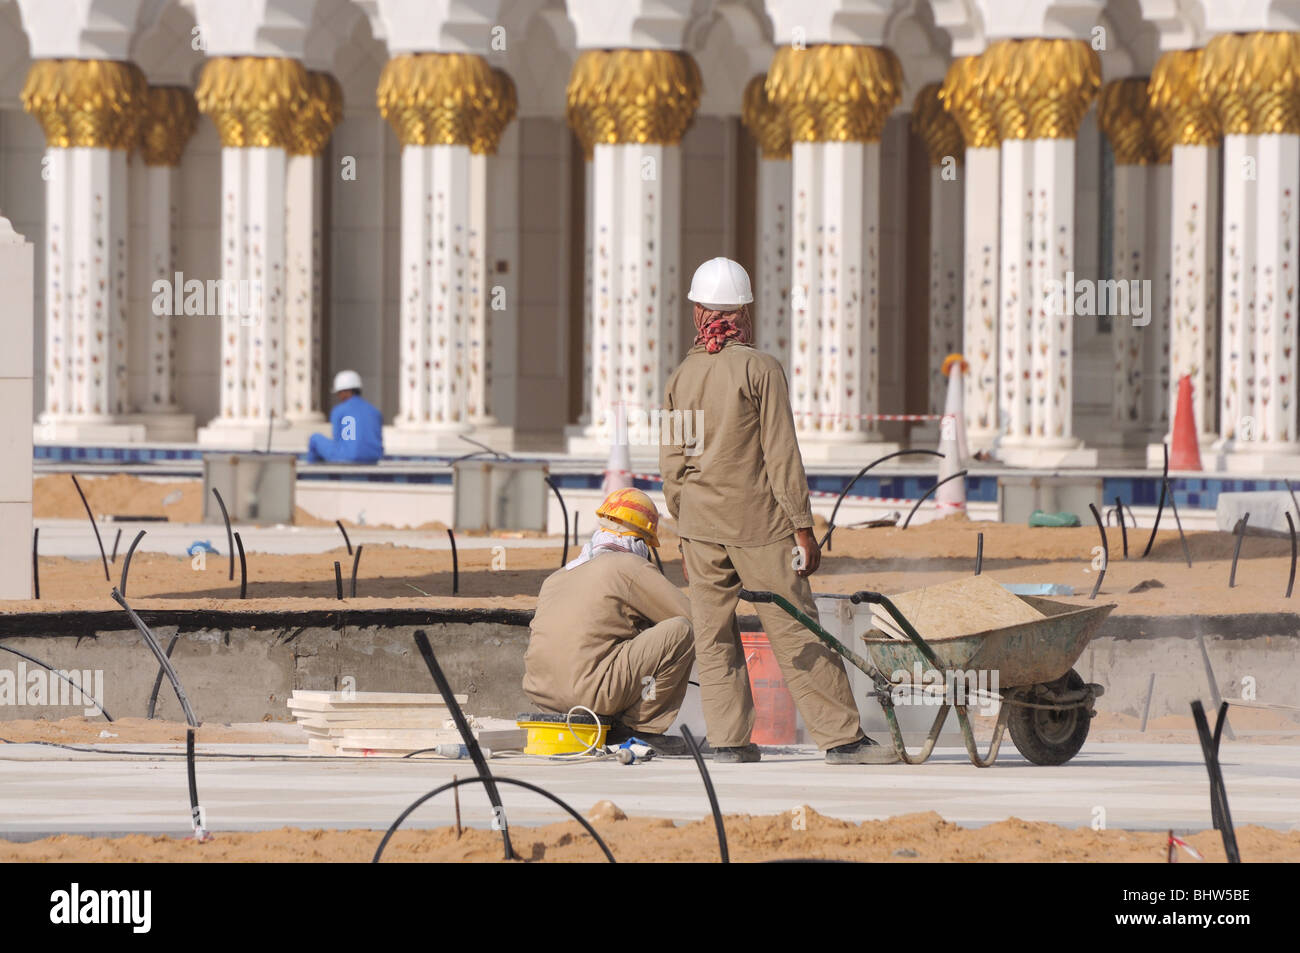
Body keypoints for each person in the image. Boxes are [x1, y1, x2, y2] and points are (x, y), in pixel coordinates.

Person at [660, 257, 897, 765]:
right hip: (759, 526)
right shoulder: (760, 369)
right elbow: (780, 452)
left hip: (701, 526)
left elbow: (674, 463)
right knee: (793, 627)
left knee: (713, 633)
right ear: (745, 311)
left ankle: (728, 741)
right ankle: (842, 739)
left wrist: (684, 531)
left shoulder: (683, 376)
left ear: (698, 312)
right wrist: (803, 527)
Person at [523, 489, 695, 755]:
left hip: (543, 699)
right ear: (641, 538)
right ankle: (640, 729)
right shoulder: (628, 566)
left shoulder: (557, 577)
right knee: (681, 631)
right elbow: (690, 617)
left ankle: (609, 717)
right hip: (590, 695)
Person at [307, 370, 384, 463]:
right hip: (373, 457)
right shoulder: (374, 411)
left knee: (315, 438)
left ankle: (312, 474)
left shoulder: (339, 410)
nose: (339, 396)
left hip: (348, 457)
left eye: (339, 393)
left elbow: (338, 441)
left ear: (345, 391)